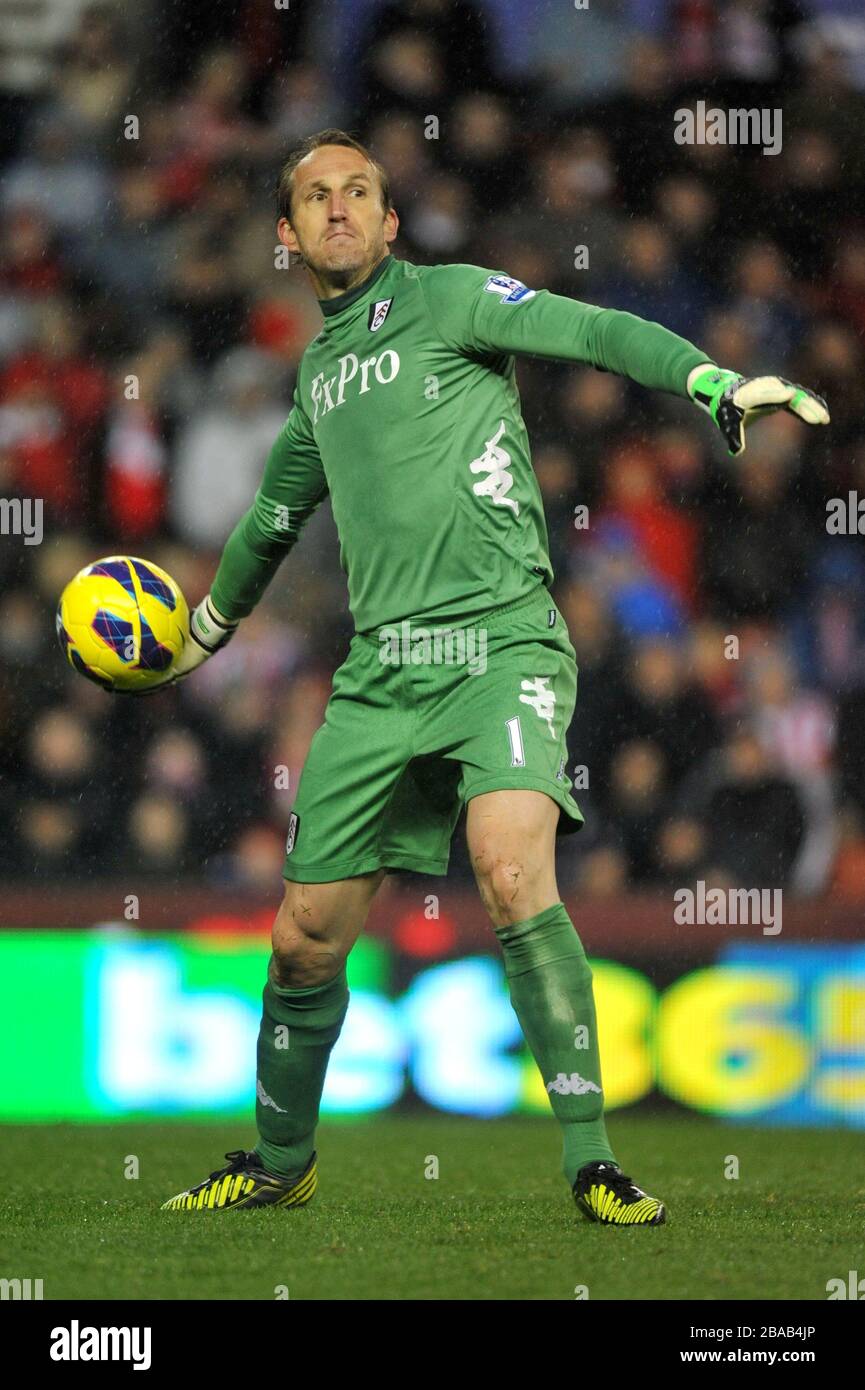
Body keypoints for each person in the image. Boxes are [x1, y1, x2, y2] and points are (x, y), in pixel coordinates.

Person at [158, 129, 828, 1223]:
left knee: (511, 866)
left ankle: (592, 1160)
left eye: (359, 192)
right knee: (301, 936)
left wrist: (703, 378)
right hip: (379, 675)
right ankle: (280, 1160)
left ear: (390, 219)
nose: (339, 209)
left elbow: (594, 329)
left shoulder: (456, 298)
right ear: (284, 234)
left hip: (501, 641)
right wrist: (199, 632)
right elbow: (271, 522)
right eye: (315, 198)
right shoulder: (320, 379)